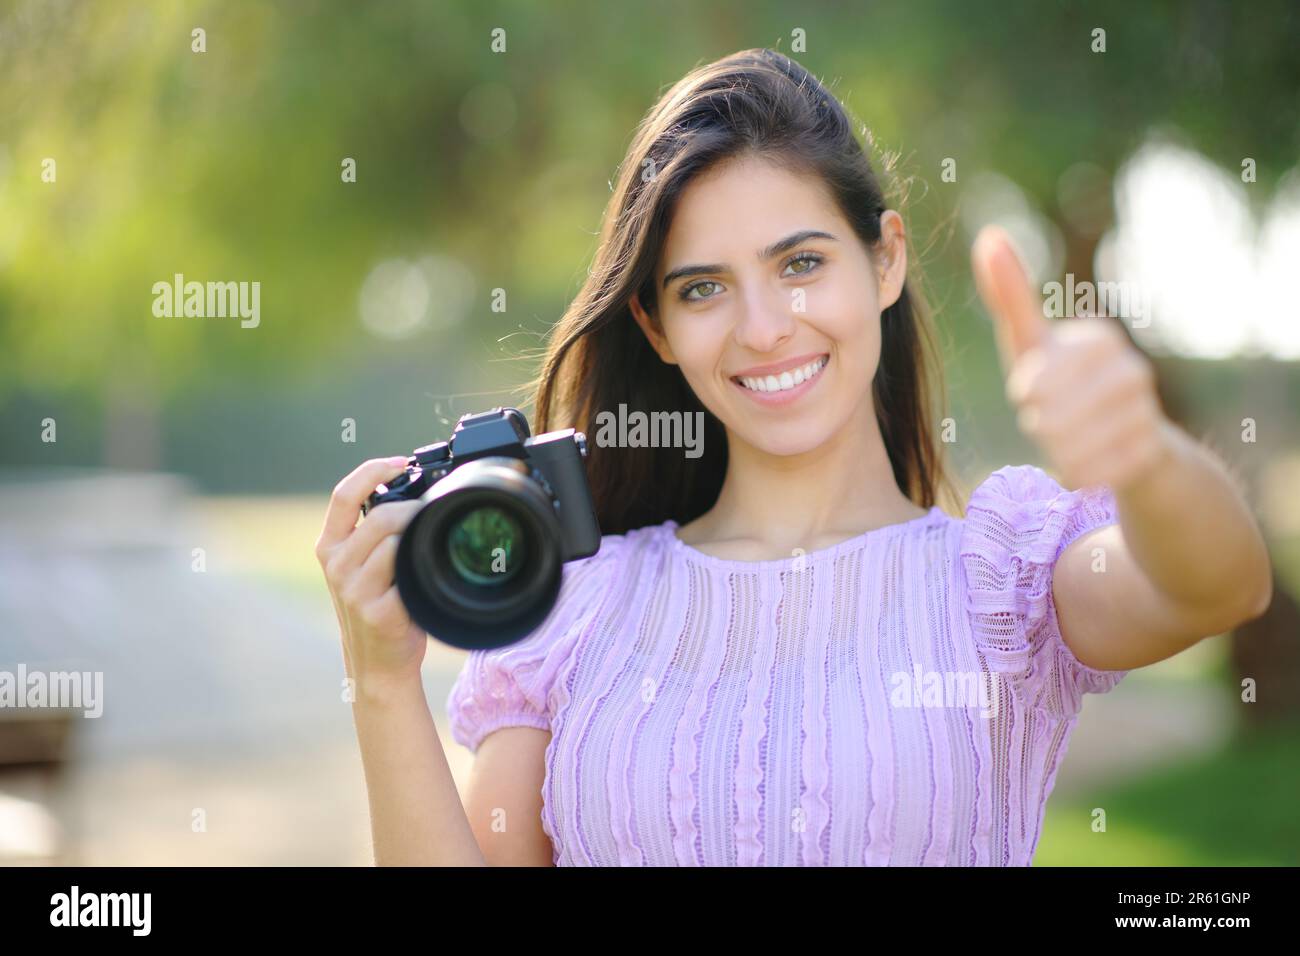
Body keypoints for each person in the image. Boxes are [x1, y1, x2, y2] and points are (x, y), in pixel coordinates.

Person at [314, 48, 1272, 866]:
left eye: (801, 263)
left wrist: (1143, 455)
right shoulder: (580, 607)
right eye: (703, 289)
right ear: (653, 324)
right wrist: (386, 685)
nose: (765, 328)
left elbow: (1214, 585)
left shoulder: (1001, 578)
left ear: (885, 260)